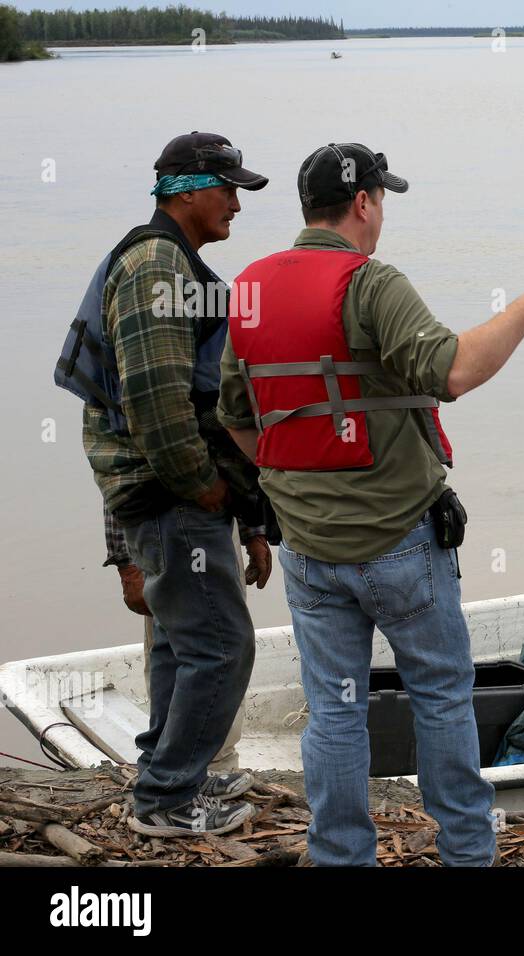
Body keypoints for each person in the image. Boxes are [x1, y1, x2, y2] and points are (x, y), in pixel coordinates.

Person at [218, 142, 524, 866]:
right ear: (363, 203)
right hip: (401, 543)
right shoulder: (371, 283)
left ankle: (340, 857)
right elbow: (454, 370)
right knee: (444, 699)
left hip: (310, 550)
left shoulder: (251, 289)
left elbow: (237, 416)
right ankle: (464, 853)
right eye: (382, 197)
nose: (382, 210)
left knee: (333, 710)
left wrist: (288, 482)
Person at [54, 132, 273, 837]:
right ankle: (167, 801)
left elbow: (200, 404)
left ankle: (172, 773)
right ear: (184, 190)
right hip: (170, 496)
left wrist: (246, 517)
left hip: (177, 496)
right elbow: (155, 400)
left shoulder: (176, 266)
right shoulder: (156, 268)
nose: (237, 203)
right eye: (227, 187)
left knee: (183, 643)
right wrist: (205, 486)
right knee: (222, 644)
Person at [103, 506, 254, 771]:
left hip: (218, 523)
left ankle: (214, 767)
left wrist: (253, 530)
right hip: (161, 525)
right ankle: (174, 771)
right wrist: (127, 565)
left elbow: (235, 465)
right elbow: (117, 473)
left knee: (230, 649)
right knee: (179, 653)